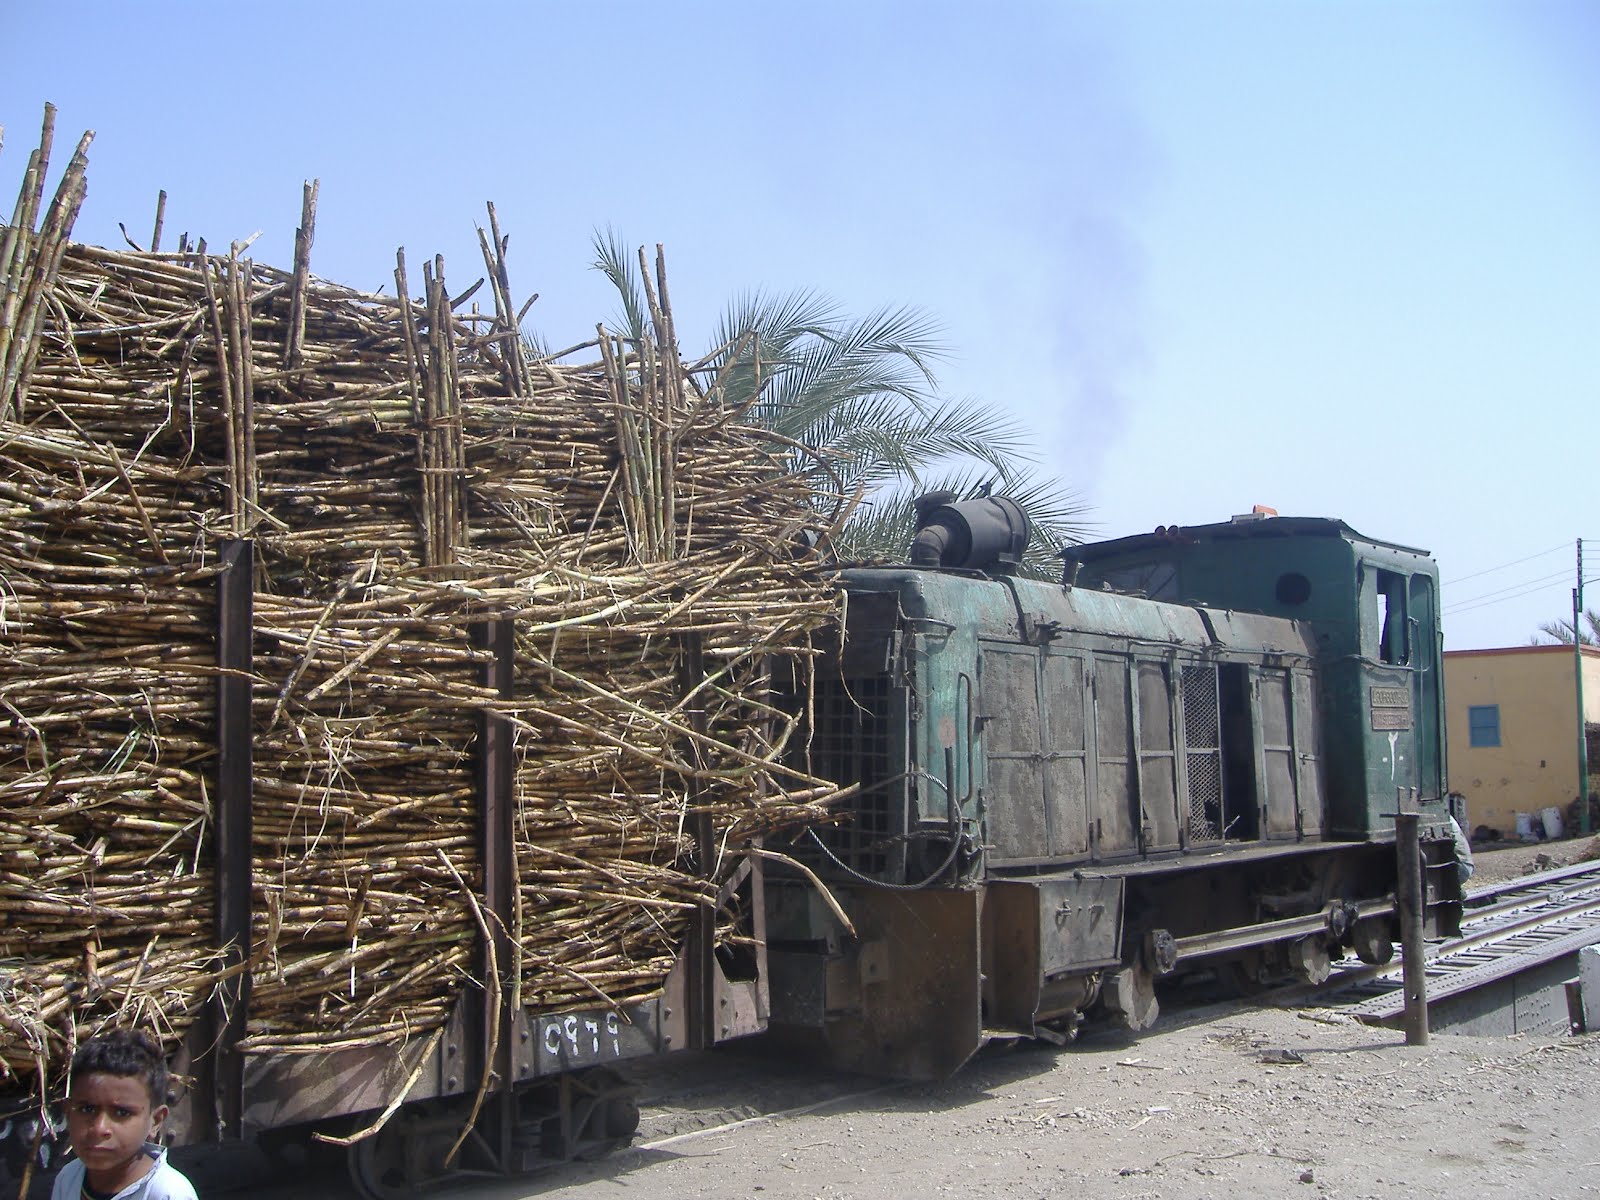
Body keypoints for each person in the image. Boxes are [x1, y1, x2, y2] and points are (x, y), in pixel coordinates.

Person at [51, 1029, 197, 1200]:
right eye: (87, 1109)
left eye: (122, 1113)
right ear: (68, 1113)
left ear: (156, 1121)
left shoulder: (168, 1193)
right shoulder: (69, 1179)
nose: (99, 1128)